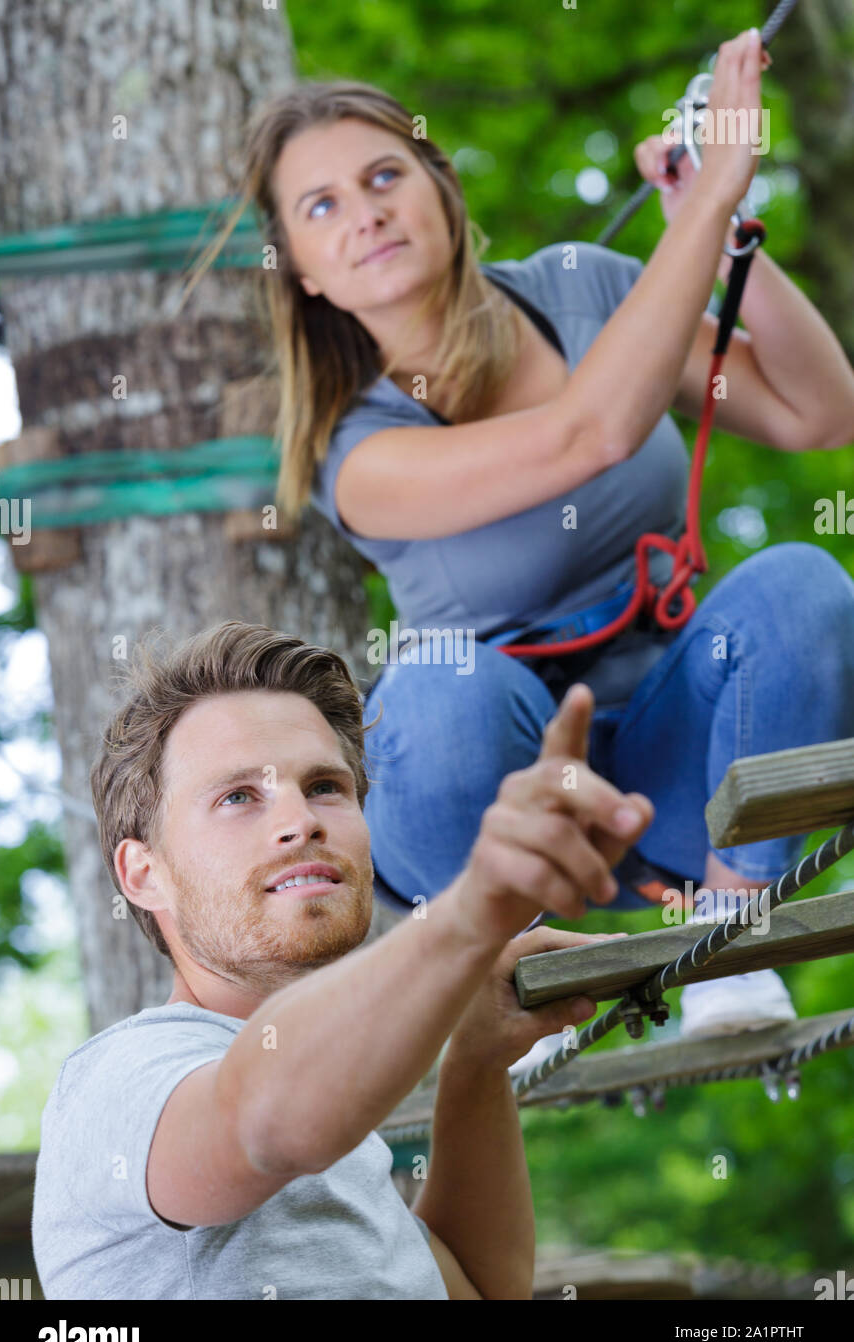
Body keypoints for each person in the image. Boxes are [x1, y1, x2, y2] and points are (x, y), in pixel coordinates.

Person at [187, 28, 854, 1046]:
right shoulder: (350, 448)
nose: (364, 213)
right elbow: (584, 434)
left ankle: (729, 937)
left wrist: (716, 233)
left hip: (678, 787)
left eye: (383, 176)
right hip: (486, 812)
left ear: (441, 191)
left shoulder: (588, 288)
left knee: (802, 581)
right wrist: (710, 193)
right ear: (306, 271)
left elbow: (817, 414)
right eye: (321, 206)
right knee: (447, 681)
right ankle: (514, 963)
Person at [31, 621, 653, 1300]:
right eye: (238, 797)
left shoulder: (343, 1128)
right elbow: (264, 1123)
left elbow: (479, 1287)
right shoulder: (117, 1082)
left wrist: (475, 1061)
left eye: (326, 786)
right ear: (143, 873)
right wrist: (473, 912)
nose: (302, 820)